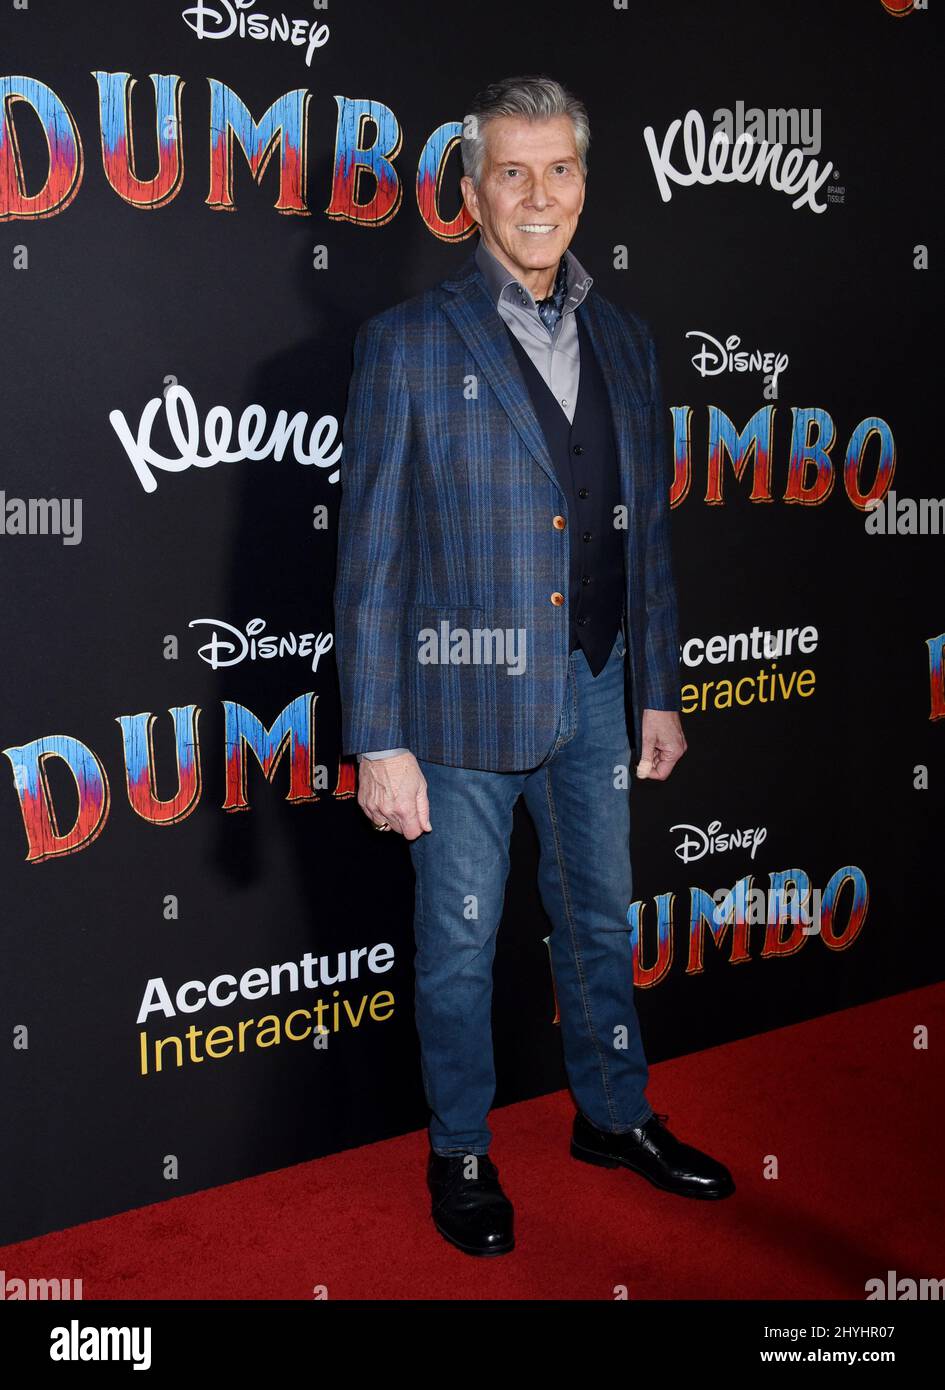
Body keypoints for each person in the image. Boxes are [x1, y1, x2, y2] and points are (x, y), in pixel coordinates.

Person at [334, 74, 734, 1258]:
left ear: (584, 182)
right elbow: (371, 557)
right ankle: (460, 1149)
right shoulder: (405, 344)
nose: (538, 193)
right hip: (455, 707)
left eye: (559, 168)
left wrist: (656, 687)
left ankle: (614, 1116)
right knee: (459, 944)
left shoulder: (625, 335)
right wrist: (378, 736)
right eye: (512, 171)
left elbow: (644, 529)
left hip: (601, 689)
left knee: (602, 920)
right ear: (471, 193)